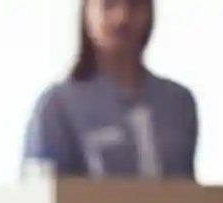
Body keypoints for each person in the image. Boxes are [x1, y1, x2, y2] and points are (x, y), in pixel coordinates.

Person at [23, 0, 199, 179]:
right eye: (109, 4)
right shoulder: (58, 107)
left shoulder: (178, 104)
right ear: (86, 12)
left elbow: (188, 197)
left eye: (135, 5)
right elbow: (41, 198)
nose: (122, 18)